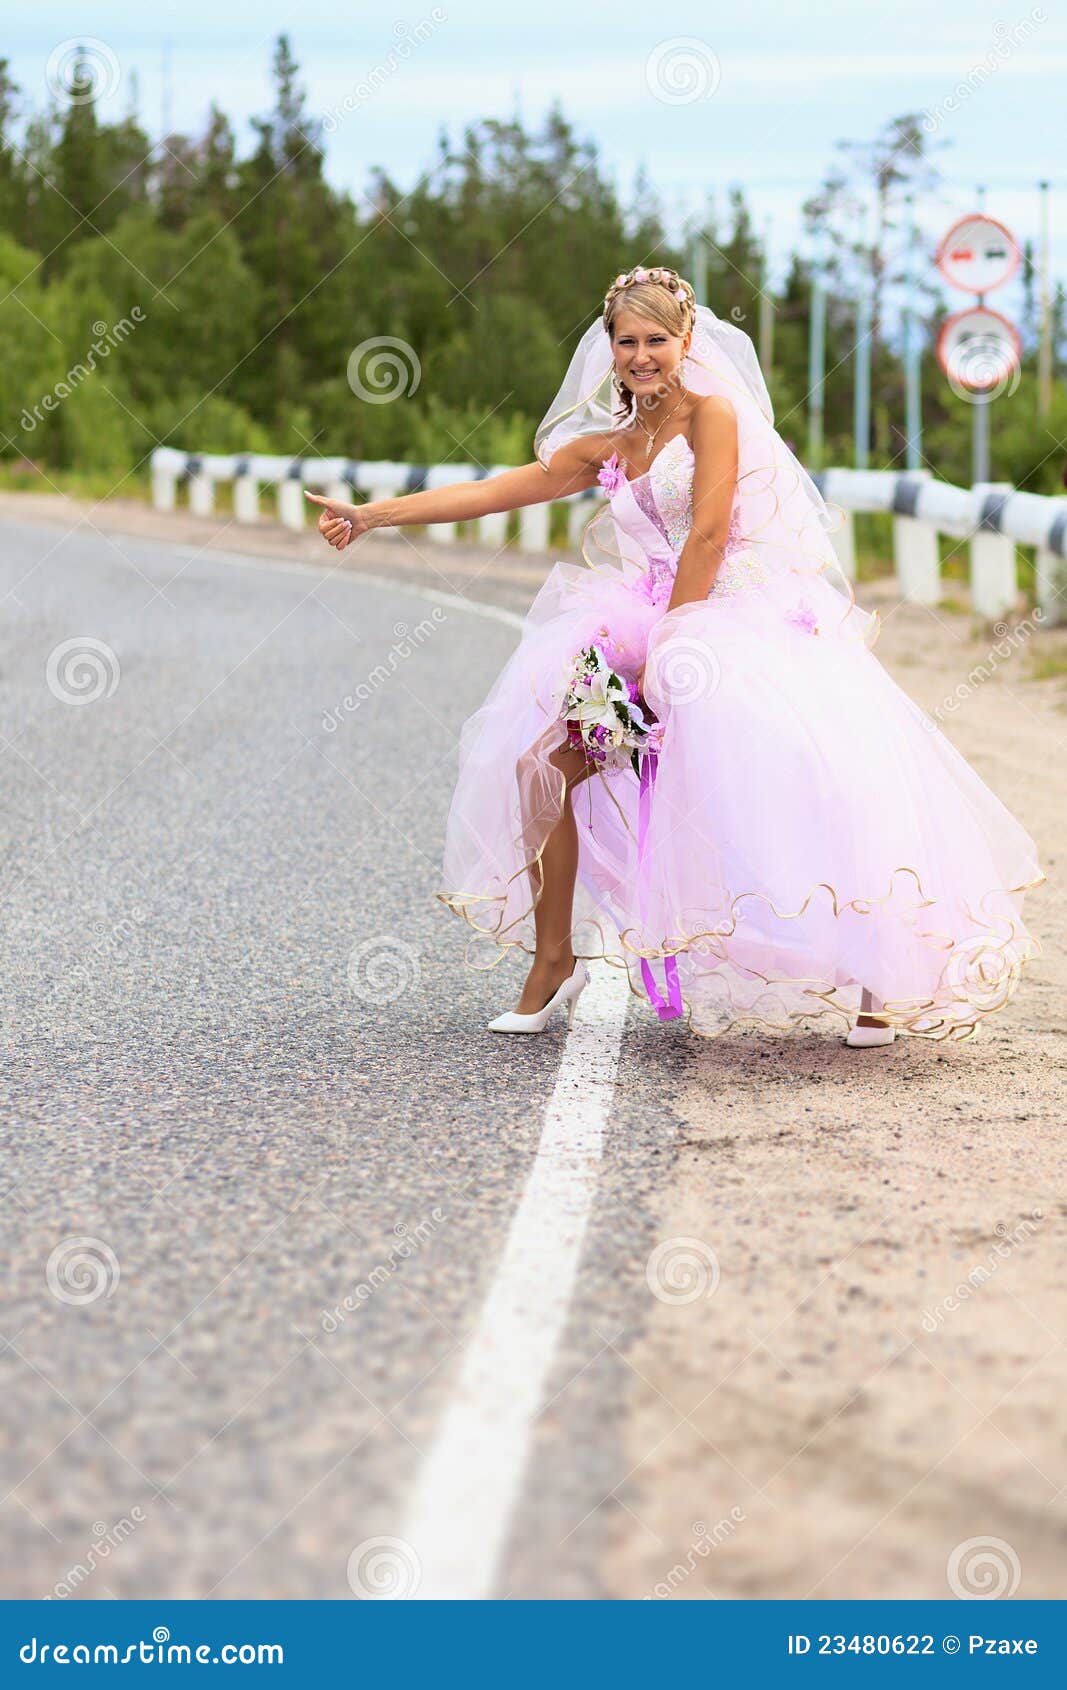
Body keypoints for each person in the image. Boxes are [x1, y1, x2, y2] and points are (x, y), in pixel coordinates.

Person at [306, 265, 1043, 1047]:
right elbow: (502, 488)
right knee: (547, 764)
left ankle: (876, 978)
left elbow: (709, 534)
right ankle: (554, 961)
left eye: (656, 339)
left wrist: (674, 649)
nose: (641, 355)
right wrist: (371, 514)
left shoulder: (713, 418)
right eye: (626, 341)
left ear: (685, 342)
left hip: (735, 622)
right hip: (642, 626)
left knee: (811, 778)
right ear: (609, 349)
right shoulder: (612, 445)